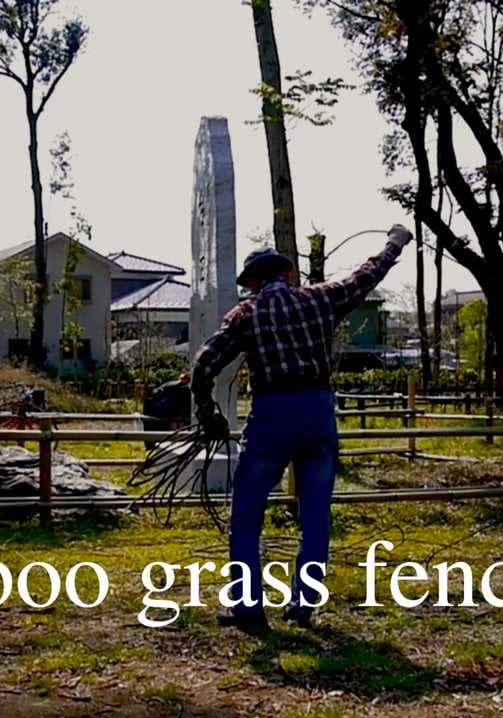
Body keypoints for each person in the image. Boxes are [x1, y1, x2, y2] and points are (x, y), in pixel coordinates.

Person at [190, 224, 414, 632]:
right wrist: (394, 243)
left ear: (252, 282)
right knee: (315, 512)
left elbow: (203, 365)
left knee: (247, 511)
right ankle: (303, 604)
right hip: (317, 410)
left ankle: (247, 606)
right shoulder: (321, 299)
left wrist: (207, 411)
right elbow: (366, 276)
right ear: (288, 273)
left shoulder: (244, 315)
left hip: (272, 413)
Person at [142, 372, 193, 449]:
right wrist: (187, 421)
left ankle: (149, 445)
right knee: (163, 432)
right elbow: (187, 407)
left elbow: (153, 396)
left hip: (152, 409)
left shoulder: (168, 384)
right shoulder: (185, 388)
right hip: (166, 412)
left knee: (150, 428)